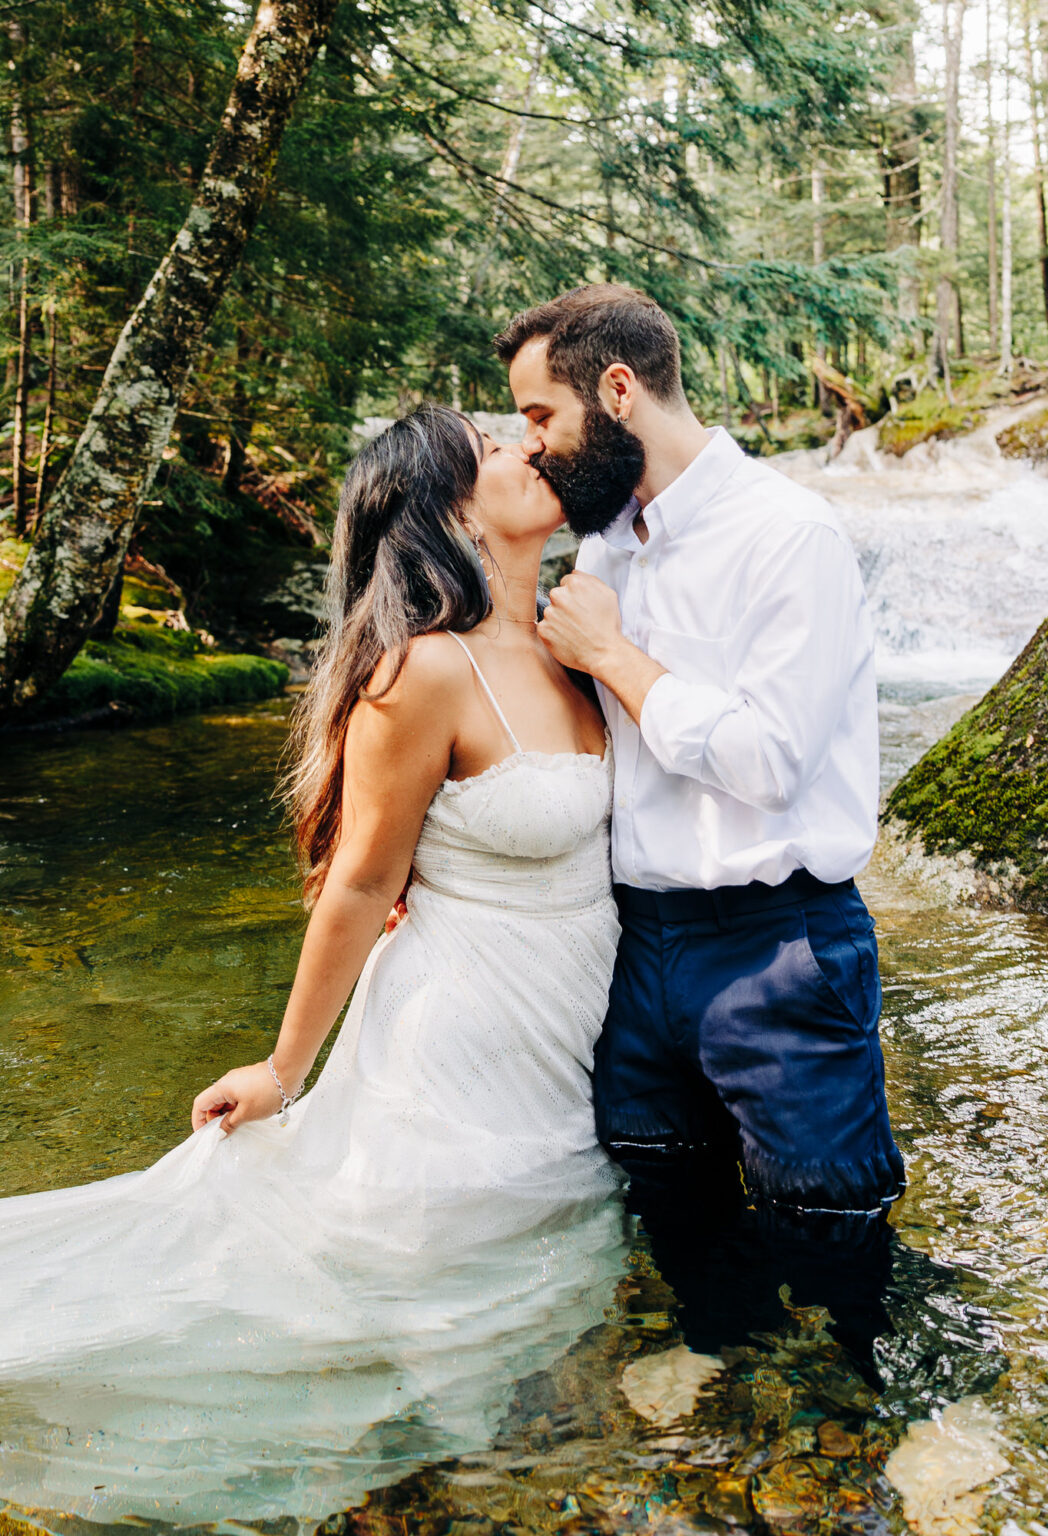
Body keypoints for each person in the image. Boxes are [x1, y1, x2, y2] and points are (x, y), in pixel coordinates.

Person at [0, 404, 628, 1523]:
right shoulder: (423, 673)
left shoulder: (575, 640)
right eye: (495, 448)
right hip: (461, 1034)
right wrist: (284, 1073)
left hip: (576, 1021)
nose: (531, 447)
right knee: (435, 1284)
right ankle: (455, 1487)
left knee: (532, 1268)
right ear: (445, 511)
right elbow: (359, 884)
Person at [494, 285, 906, 1363]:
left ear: (618, 392)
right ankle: (728, 1372)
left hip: (781, 943)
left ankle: (882, 1407)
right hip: (639, 941)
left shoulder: (788, 535)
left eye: (543, 416)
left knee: (829, 1215)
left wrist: (620, 658)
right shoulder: (608, 546)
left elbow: (770, 762)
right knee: (662, 1176)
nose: (532, 449)